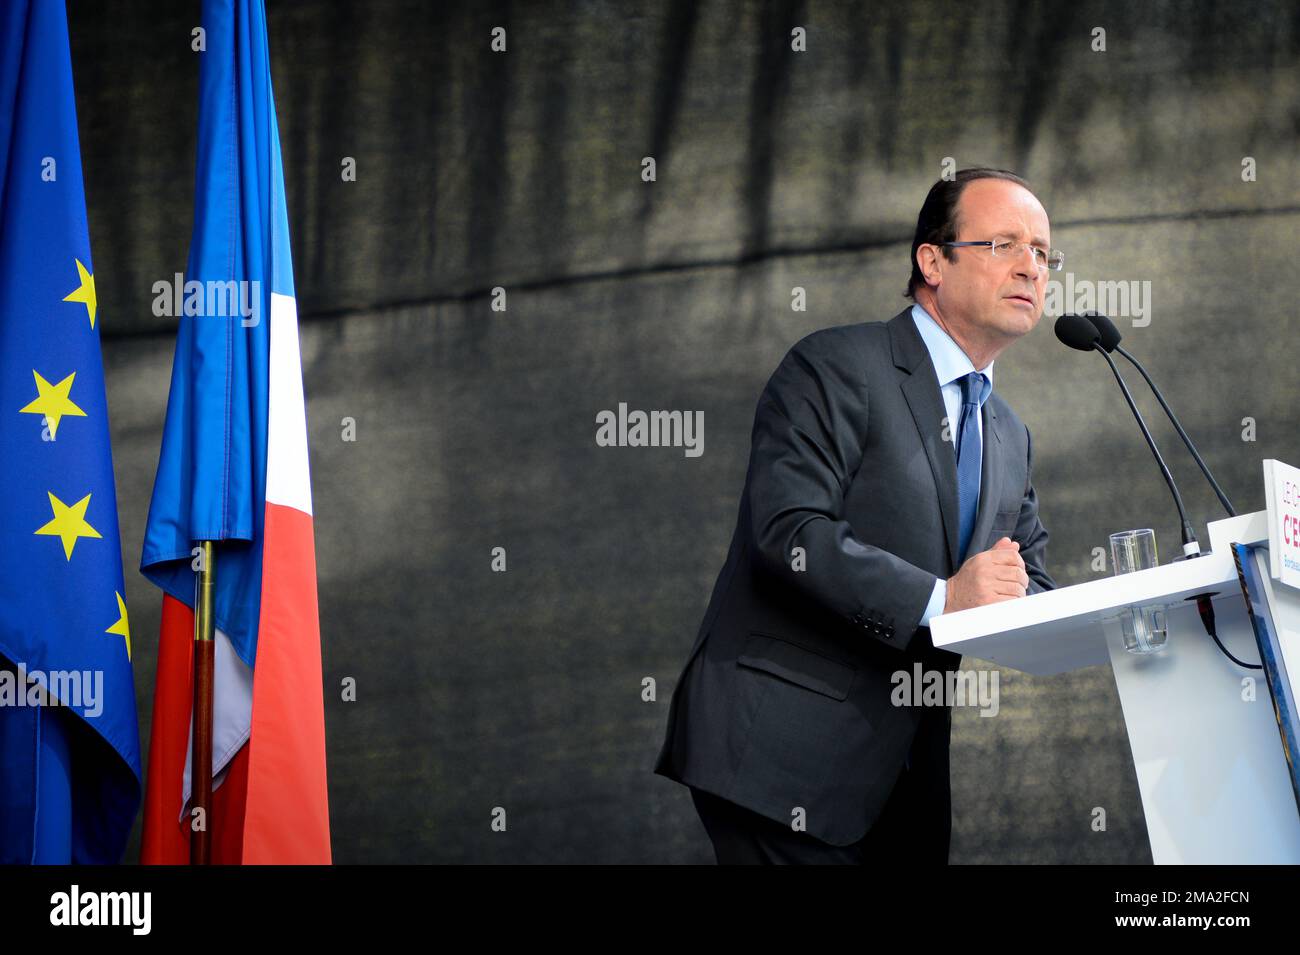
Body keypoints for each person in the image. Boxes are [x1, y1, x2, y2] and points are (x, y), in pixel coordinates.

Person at [654, 167, 1058, 864]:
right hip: (781, 754)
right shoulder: (837, 366)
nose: (1030, 266)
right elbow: (789, 533)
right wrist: (942, 597)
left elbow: (1030, 584)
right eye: (1003, 244)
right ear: (932, 259)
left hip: (905, 788)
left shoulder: (1010, 434)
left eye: (1044, 253)